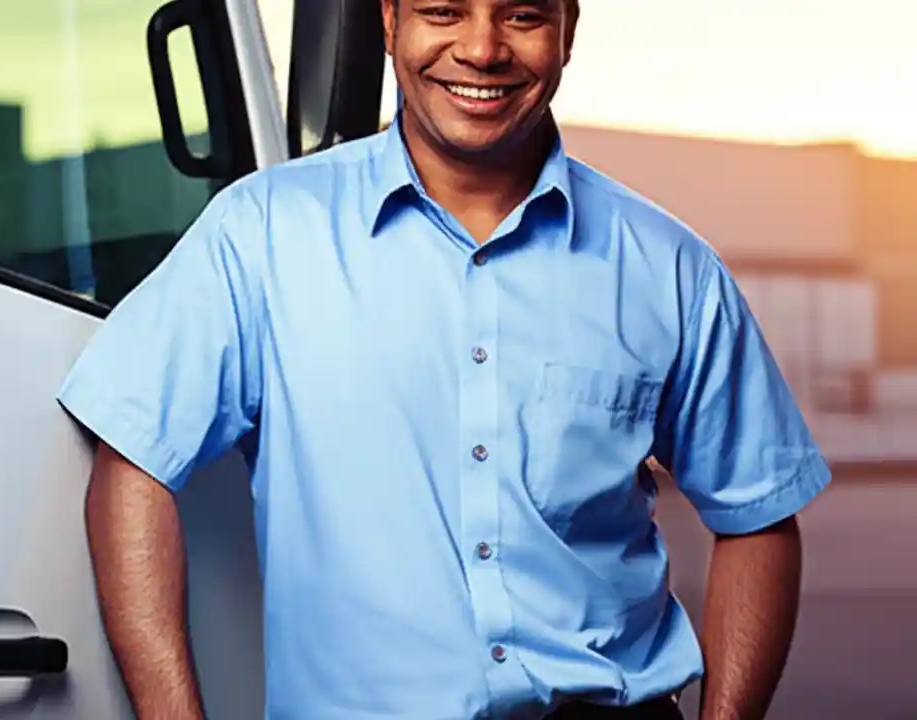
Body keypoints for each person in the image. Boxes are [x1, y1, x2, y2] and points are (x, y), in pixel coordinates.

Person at [56, 0, 830, 717]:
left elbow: (758, 515)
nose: (482, 49)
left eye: (521, 15)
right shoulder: (260, 234)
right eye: (443, 11)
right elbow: (132, 463)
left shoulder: (669, 268)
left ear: (568, 28)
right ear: (390, 20)